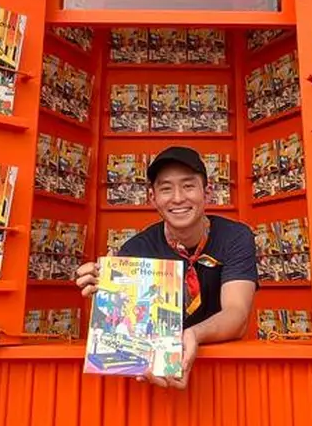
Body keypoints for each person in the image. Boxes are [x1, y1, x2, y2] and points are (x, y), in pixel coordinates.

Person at [76, 146, 258, 388]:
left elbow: (237, 315)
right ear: (153, 198)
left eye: (188, 186)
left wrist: (192, 334)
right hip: (153, 378)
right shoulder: (136, 250)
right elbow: (125, 331)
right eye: (165, 189)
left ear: (207, 192)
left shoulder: (235, 237)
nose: (178, 198)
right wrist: (105, 295)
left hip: (225, 376)